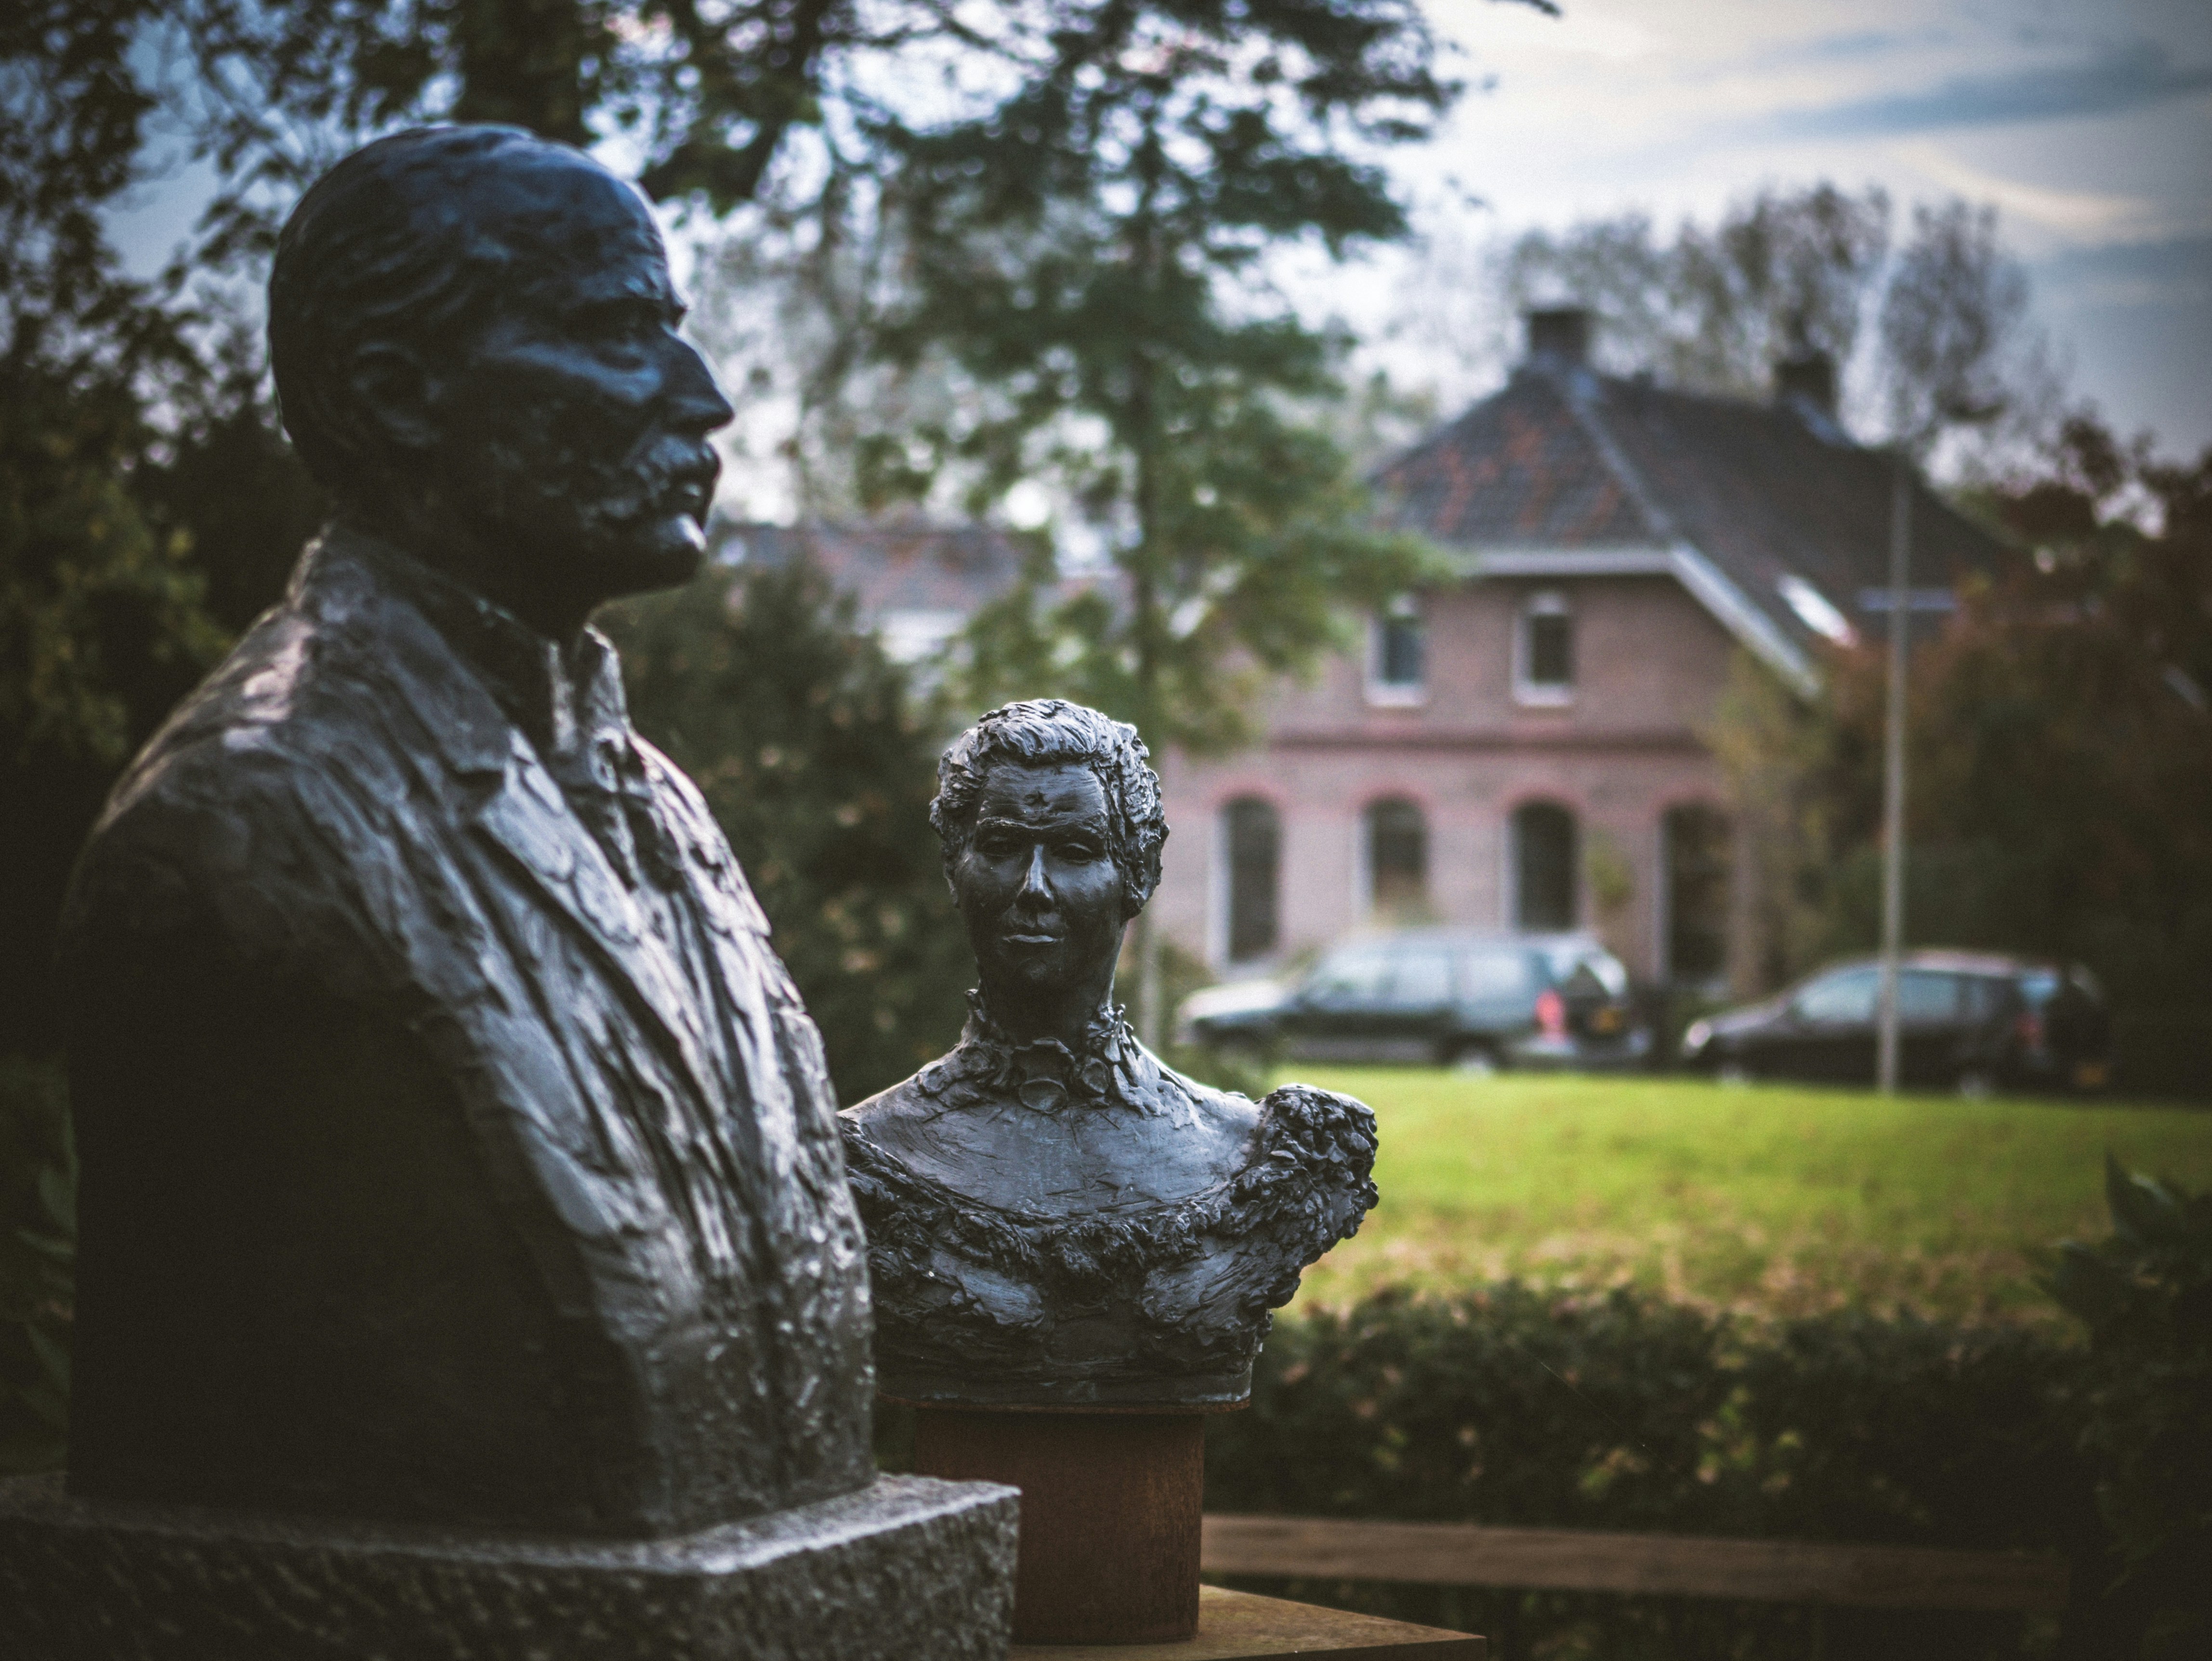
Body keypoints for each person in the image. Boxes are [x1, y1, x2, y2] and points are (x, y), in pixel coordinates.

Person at [56, 126, 873, 1534]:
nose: (708, 397)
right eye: (620, 333)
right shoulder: (244, 831)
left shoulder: (666, 809)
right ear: (397, 393)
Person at [840, 700, 1376, 1407]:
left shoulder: (1267, 1158)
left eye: (1074, 852)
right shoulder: (854, 1163)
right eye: (1001, 848)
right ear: (954, 869)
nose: (1034, 889)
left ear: (1139, 875)